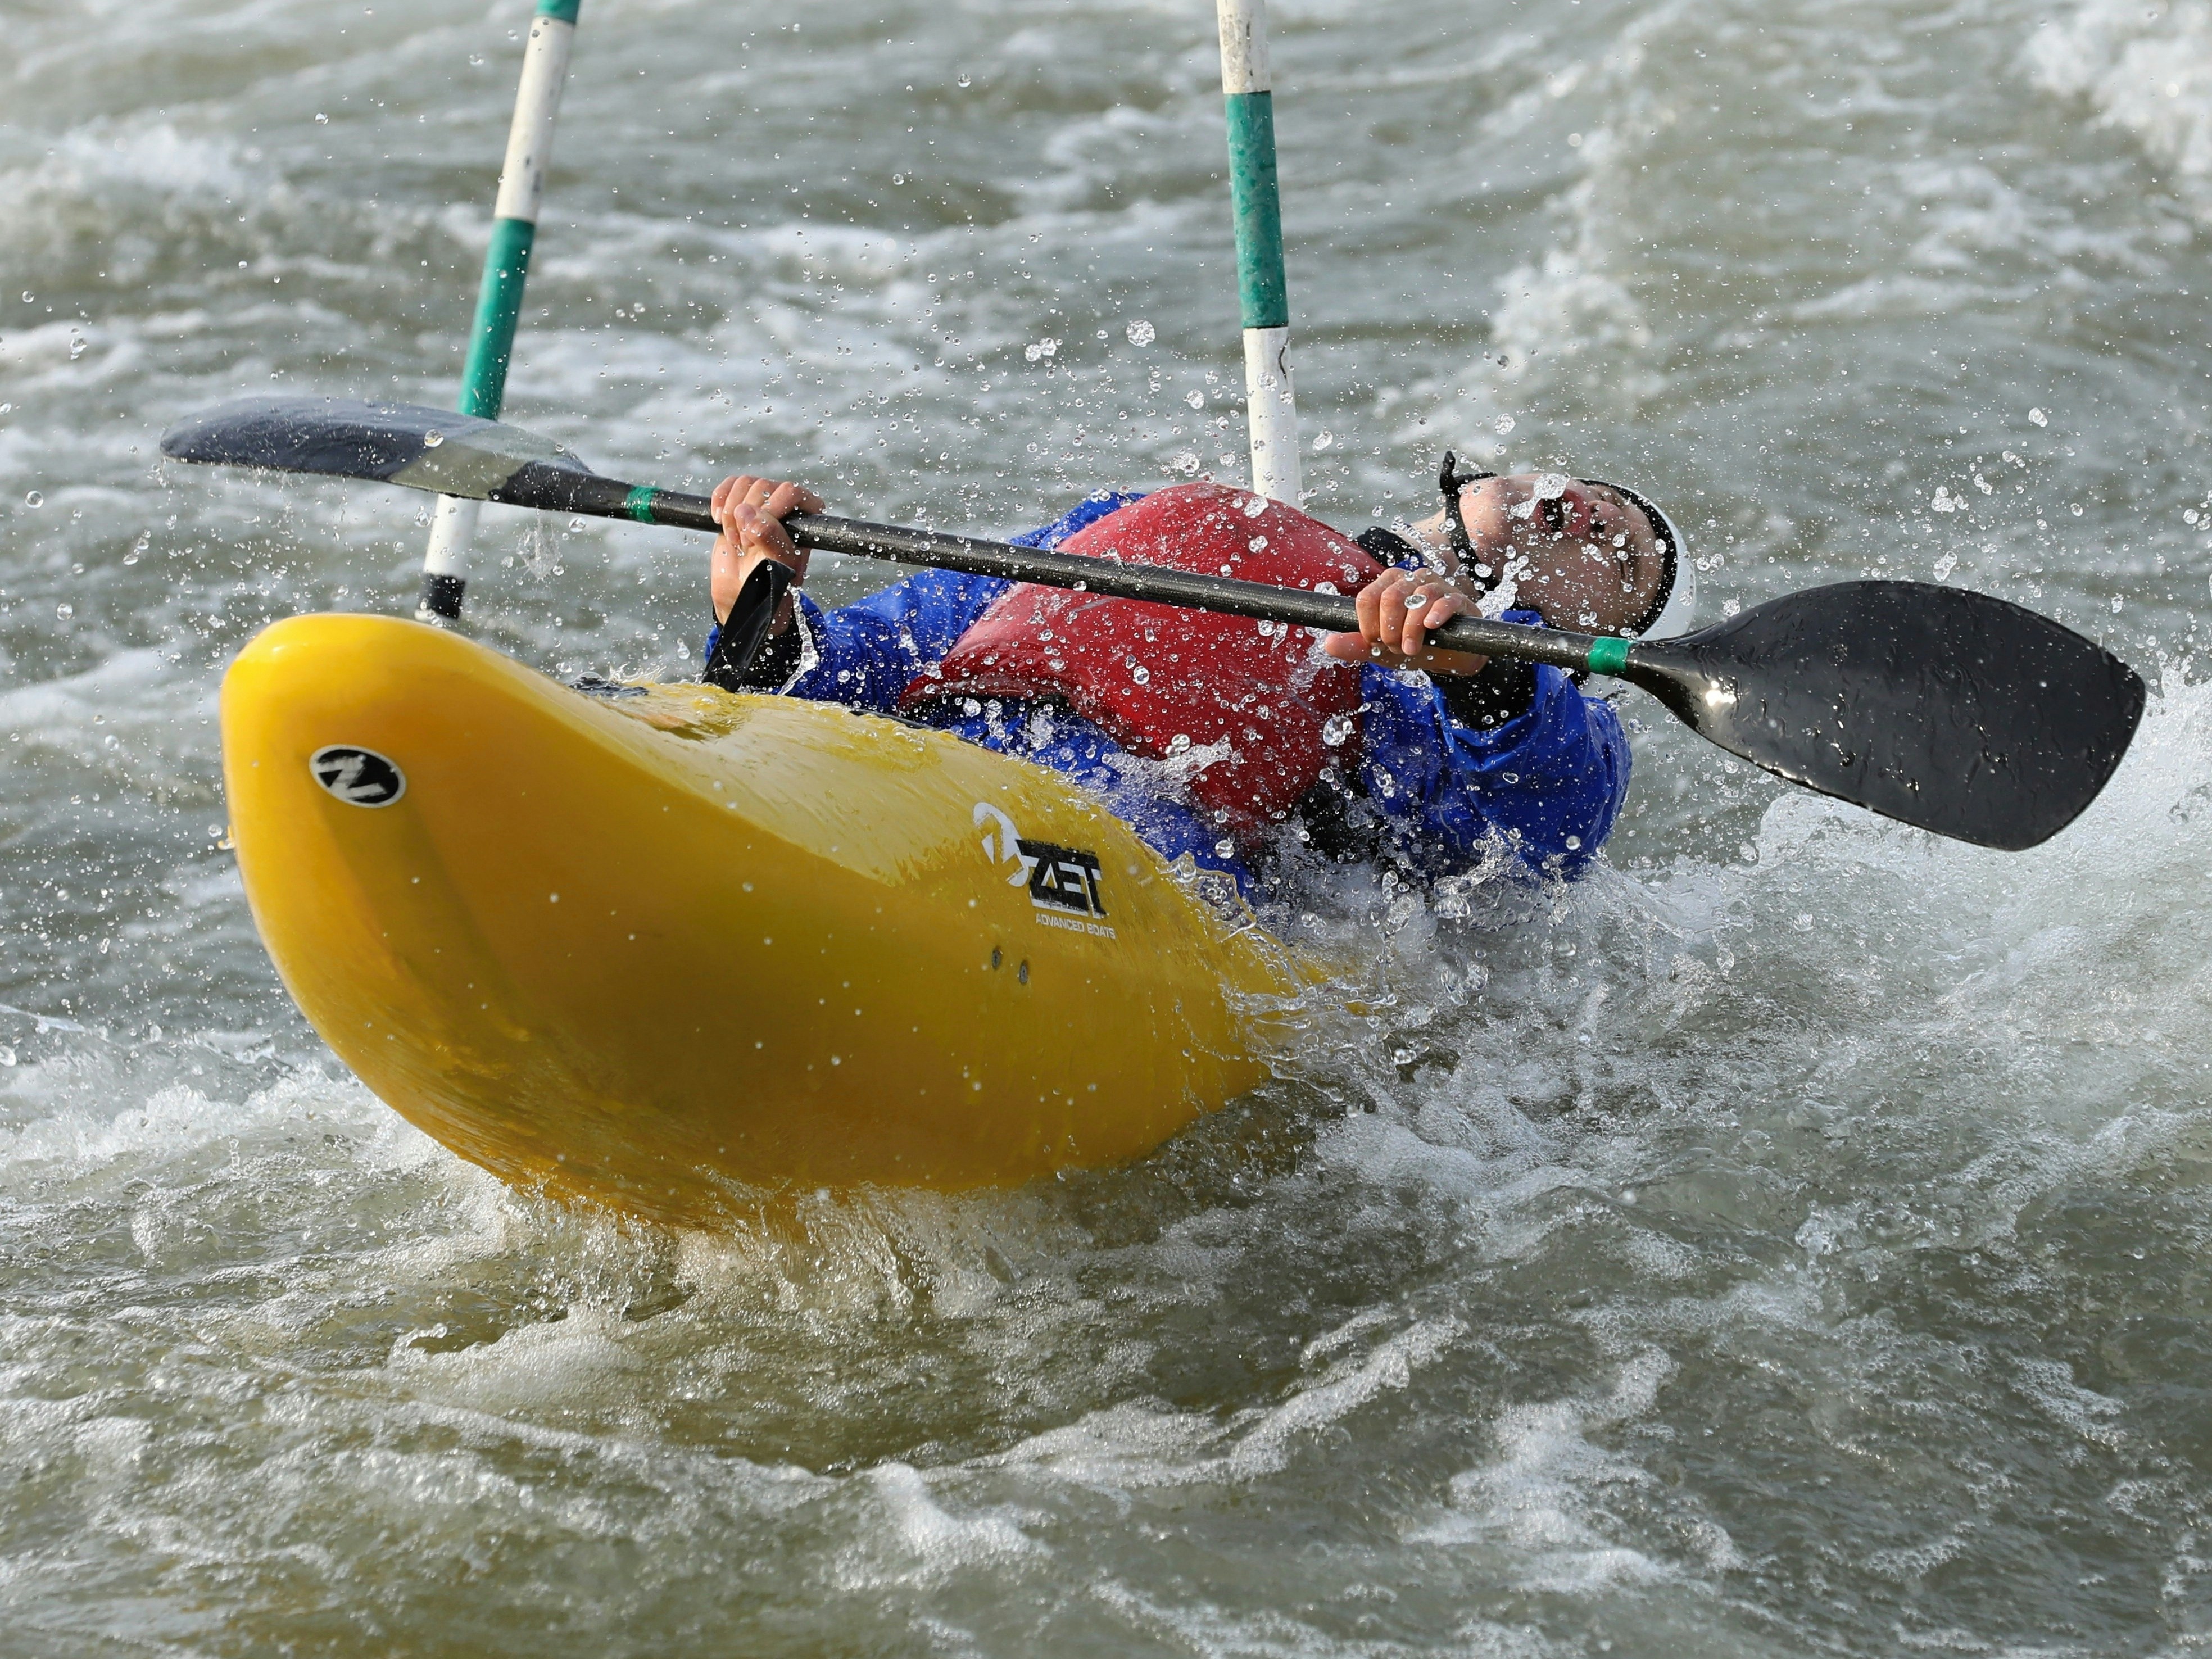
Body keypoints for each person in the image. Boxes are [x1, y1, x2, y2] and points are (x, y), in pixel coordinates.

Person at [697, 457, 1680, 899]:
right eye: (1590, 492)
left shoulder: (1545, 713)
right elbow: (891, 659)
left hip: (1146, 856)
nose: (1592, 510)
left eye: (1628, 555)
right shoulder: (1175, 520)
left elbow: (1545, 835)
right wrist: (765, 607)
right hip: (946, 764)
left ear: (1605, 639)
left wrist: (1480, 671)